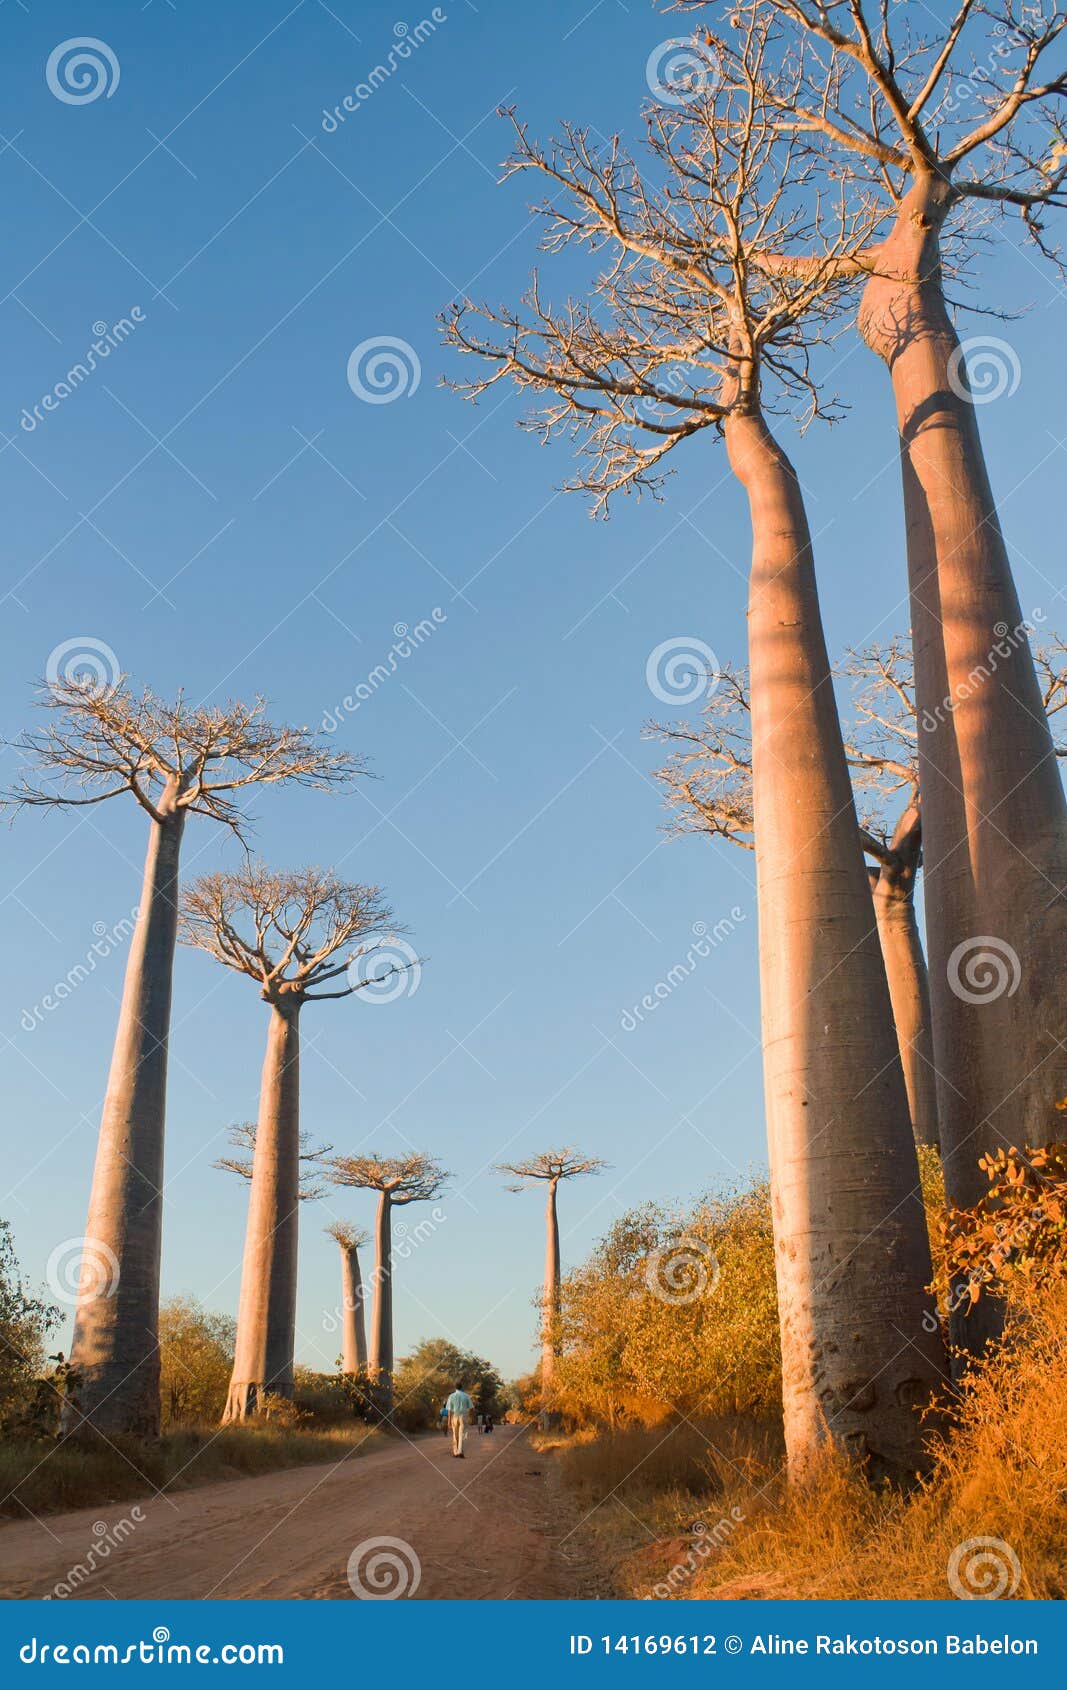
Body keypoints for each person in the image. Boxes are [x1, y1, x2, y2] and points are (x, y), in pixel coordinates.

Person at [444, 1383, 473, 1458]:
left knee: (455, 1434)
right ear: (461, 1387)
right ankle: (460, 1452)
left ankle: (455, 1452)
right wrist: (469, 1416)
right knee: (462, 1434)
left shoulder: (451, 1396)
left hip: (454, 1416)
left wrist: (449, 1421)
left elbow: (449, 1410)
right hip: (463, 1416)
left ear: (455, 1388)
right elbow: (471, 1408)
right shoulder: (466, 1396)